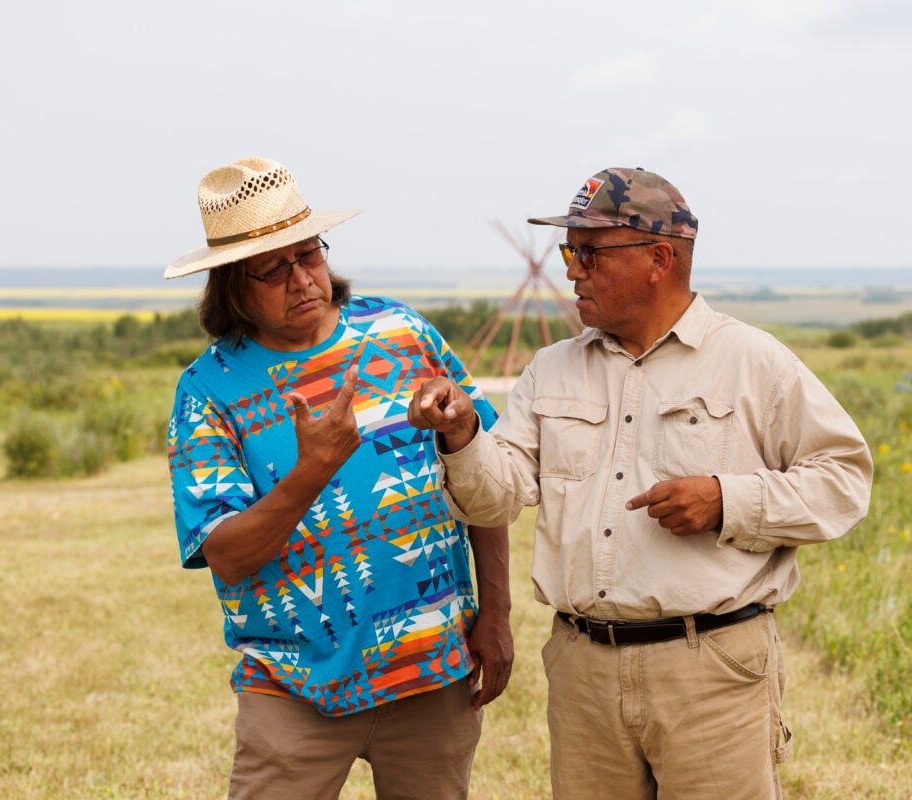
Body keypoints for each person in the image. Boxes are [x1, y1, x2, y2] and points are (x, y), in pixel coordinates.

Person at [408, 167, 873, 799]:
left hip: (709, 666)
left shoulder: (752, 361)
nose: (572, 269)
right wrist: (462, 435)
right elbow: (498, 494)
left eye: (589, 252)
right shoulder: (551, 369)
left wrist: (726, 500)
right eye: (569, 251)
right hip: (583, 672)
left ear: (659, 259)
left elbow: (844, 482)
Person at [164, 157, 512, 800]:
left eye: (309, 255)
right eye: (273, 269)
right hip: (292, 690)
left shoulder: (401, 333)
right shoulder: (208, 391)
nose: (301, 279)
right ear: (231, 286)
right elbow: (227, 555)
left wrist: (497, 613)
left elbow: (483, 479)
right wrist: (313, 469)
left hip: (431, 672)